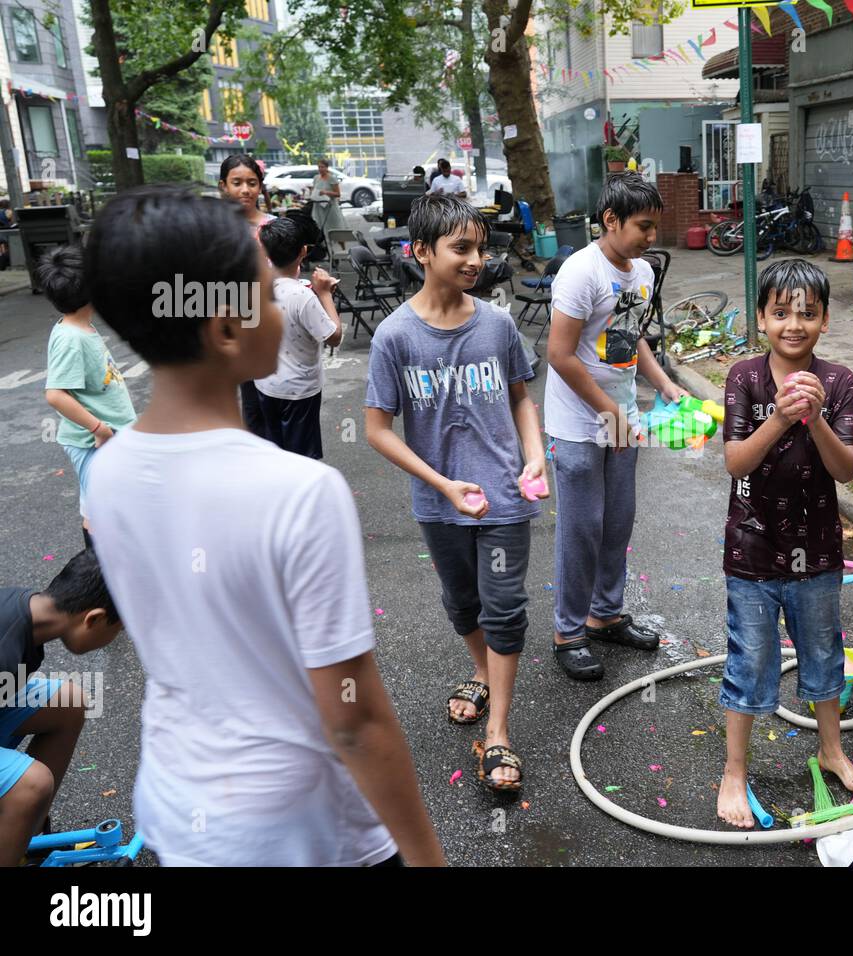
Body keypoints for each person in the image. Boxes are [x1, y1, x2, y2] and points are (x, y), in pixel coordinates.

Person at [81, 186, 445, 866]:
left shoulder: (108, 473)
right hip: (302, 831)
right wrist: (426, 857)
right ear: (224, 328)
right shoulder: (299, 491)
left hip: (176, 810)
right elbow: (355, 718)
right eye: (268, 296)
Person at [365, 194, 546, 791]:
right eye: (461, 248)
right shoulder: (395, 337)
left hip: (503, 498)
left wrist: (535, 454)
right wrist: (442, 483)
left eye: (481, 247)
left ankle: (498, 732)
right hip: (439, 502)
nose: (476, 259)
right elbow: (376, 430)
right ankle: (483, 671)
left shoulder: (496, 324)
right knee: (462, 604)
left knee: (504, 607)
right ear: (421, 252)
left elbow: (521, 395)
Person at [715, 258, 853, 828]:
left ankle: (831, 750)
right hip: (752, 554)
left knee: (823, 655)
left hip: (818, 554)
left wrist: (817, 419)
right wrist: (780, 418)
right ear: (761, 319)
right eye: (781, 313)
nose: (794, 324)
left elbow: (846, 470)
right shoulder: (743, 379)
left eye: (807, 313)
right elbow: (736, 462)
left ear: (825, 320)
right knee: (750, 660)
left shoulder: (840, 381)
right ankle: (735, 769)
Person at [544, 172, 685, 681]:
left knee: (617, 522)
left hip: (623, 416)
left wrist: (664, 384)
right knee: (581, 529)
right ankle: (568, 631)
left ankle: (604, 614)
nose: (651, 237)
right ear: (610, 220)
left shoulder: (642, 273)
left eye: (654, 227)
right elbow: (559, 354)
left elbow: (631, 337)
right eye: (643, 226)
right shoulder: (580, 273)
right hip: (579, 422)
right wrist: (608, 411)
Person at [0, 549, 123, 866]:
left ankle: (25, 835)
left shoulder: (23, 611)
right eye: (117, 630)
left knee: (69, 700)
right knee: (32, 782)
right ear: (93, 618)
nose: (114, 639)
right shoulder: (6, 652)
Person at [40, 245, 137, 548]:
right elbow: (55, 395)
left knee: (105, 503)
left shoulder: (79, 326)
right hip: (94, 440)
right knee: (99, 510)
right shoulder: (72, 338)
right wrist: (99, 429)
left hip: (107, 435)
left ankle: (111, 568)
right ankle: (100, 576)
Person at [254, 216, 343, 459]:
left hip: (265, 385)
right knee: (301, 458)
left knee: (275, 452)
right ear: (303, 251)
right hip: (298, 391)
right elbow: (333, 336)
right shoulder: (303, 297)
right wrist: (325, 295)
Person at [218, 153, 277, 441]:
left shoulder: (274, 227)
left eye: (252, 183)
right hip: (237, 327)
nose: (245, 190)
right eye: (237, 182)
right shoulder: (216, 229)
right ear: (223, 186)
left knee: (282, 399)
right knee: (252, 403)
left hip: (276, 323)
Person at [309, 157, 347, 237]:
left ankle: (342, 247)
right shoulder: (316, 178)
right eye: (319, 167)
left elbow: (338, 194)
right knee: (320, 228)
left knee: (335, 228)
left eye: (322, 167)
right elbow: (315, 190)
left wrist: (326, 192)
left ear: (327, 167)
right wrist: (312, 191)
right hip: (318, 206)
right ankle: (325, 246)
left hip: (329, 207)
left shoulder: (331, 178)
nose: (320, 169)